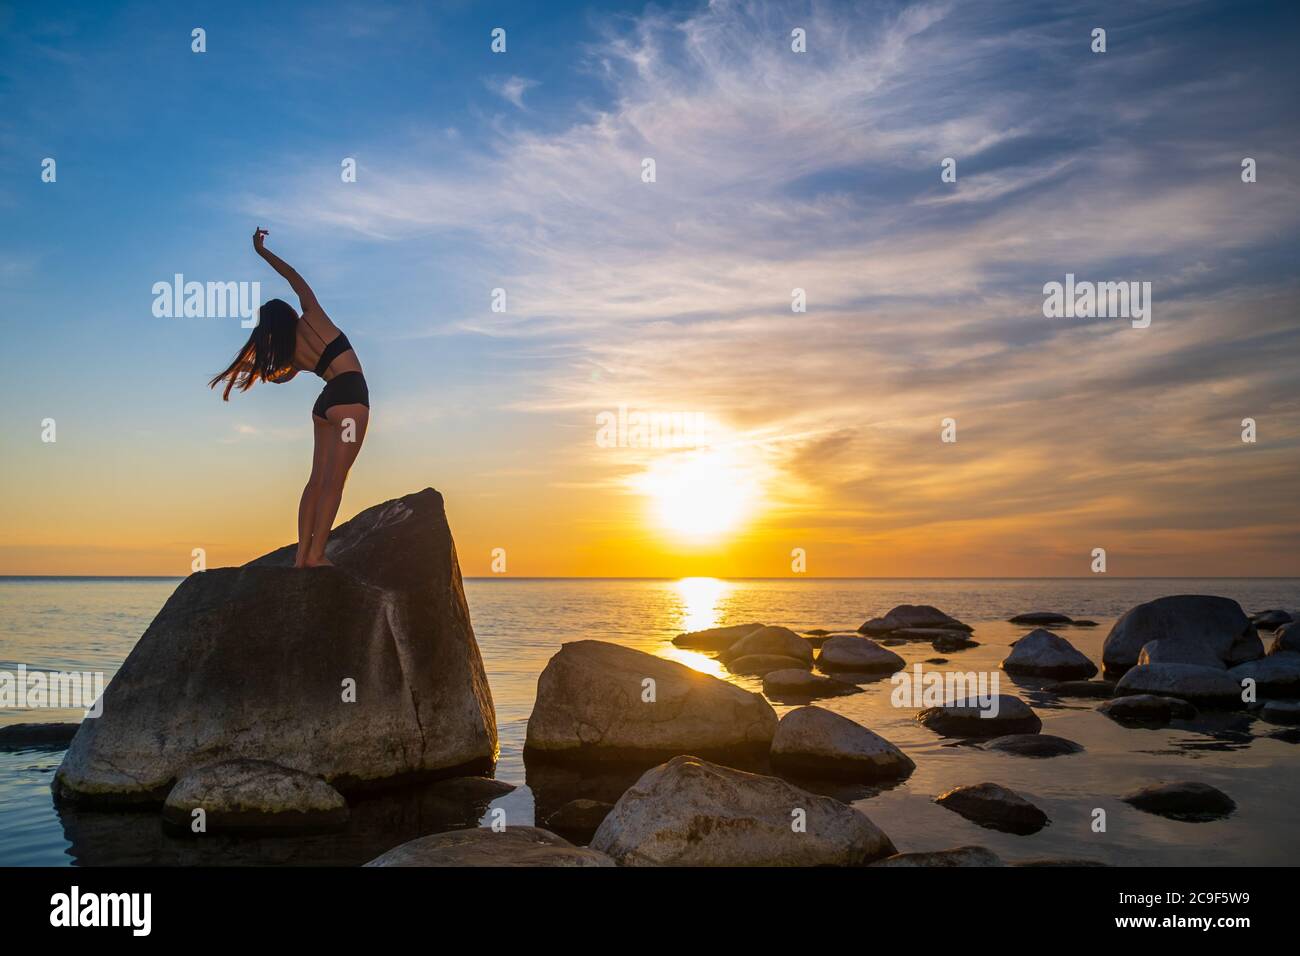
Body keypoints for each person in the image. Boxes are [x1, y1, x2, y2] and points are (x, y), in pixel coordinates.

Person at [209, 228, 370, 567]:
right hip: (350, 398)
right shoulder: (312, 317)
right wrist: (262, 252)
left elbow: (280, 378)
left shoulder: (292, 355)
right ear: (289, 314)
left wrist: (256, 369)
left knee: (315, 481)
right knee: (334, 482)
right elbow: (294, 276)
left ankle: (300, 557)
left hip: (324, 407)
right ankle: (316, 555)